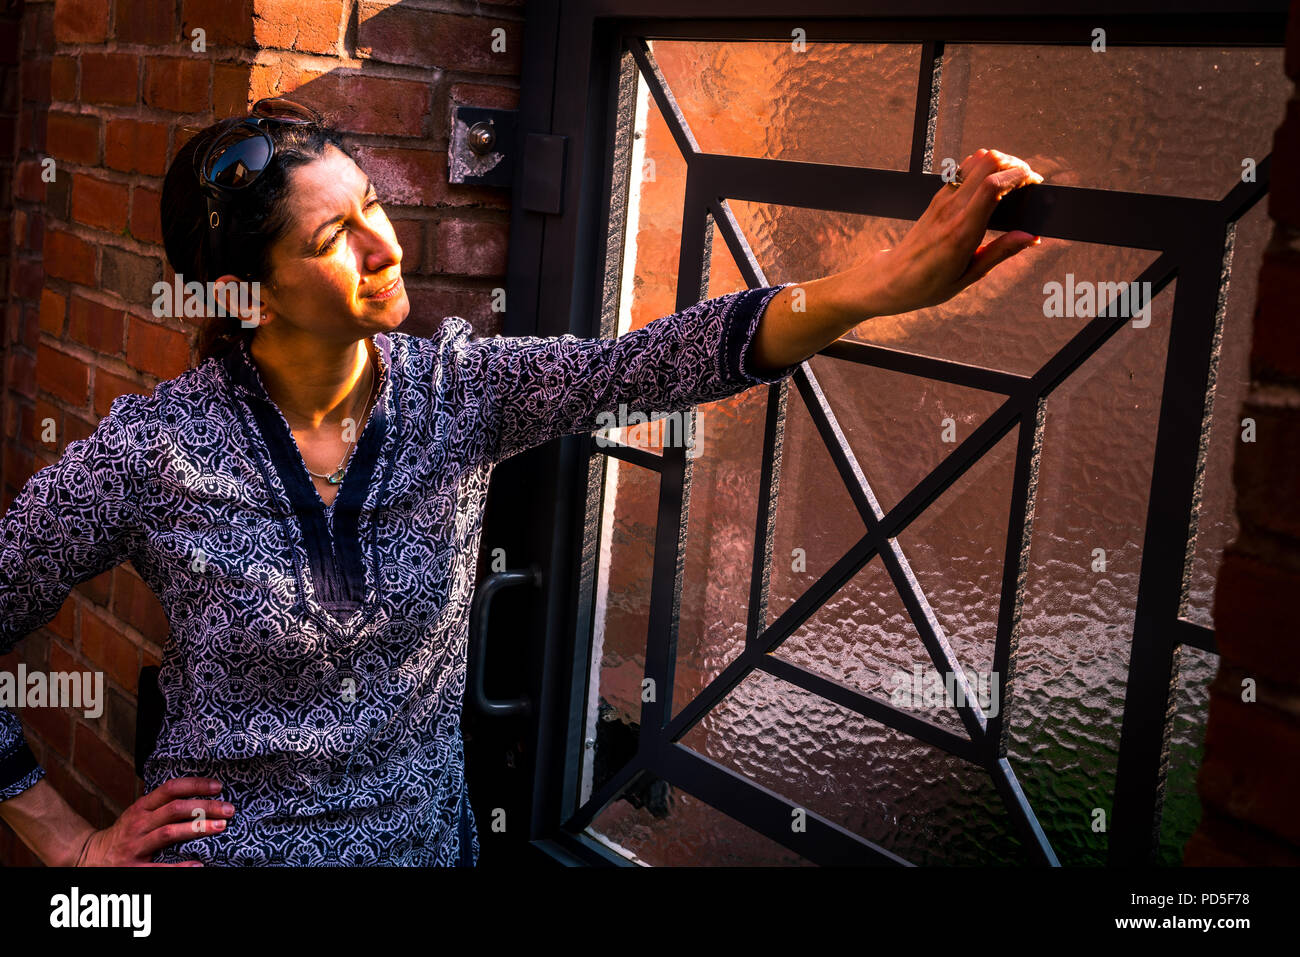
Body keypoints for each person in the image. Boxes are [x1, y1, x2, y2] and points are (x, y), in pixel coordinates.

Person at [0, 98, 1041, 866]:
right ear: (248, 297)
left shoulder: (462, 393)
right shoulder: (149, 455)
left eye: (371, 206)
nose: (382, 246)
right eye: (331, 239)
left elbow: (653, 362)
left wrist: (880, 287)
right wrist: (71, 848)